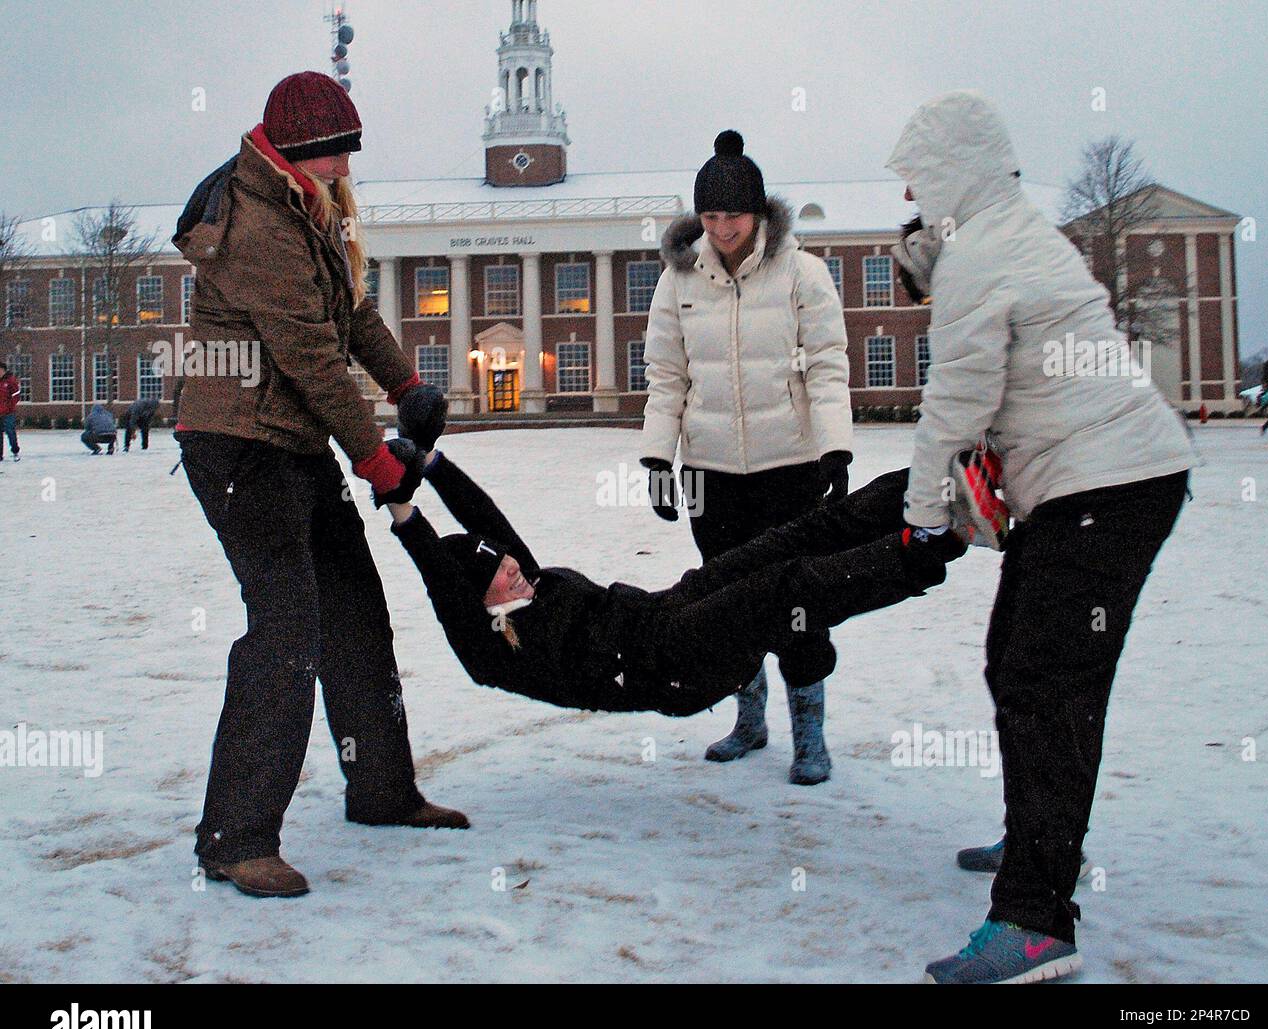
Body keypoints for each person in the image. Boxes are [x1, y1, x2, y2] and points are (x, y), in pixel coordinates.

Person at [885, 90, 1198, 984]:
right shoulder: (997, 231)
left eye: (919, 183)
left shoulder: (987, 251)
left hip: (1109, 484)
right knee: (1015, 662)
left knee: (1046, 676)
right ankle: (1039, 835)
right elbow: (978, 287)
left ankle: (1035, 917)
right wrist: (933, 255)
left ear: (955, 172)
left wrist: (919, 513)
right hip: (1096, 482)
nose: (912, 199)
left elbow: (959, 398)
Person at [172, 71, 463, 899]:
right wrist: (375, 455)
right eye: (335, 154)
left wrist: (408, 386)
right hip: (236, 448)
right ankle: (235, 836)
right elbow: (308, 357)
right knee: (286, 625)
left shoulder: (311, 205)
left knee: (355, 613)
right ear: (297, 152)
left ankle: (381, 789)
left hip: (293, 441)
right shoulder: (257, 223)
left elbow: (352, 314)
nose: (345, 168)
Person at [383, 437, 965, 720]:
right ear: (478, 603)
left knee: (789, 540)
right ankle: (927, 547)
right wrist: (401, 508)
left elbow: (487, 520)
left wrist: (433, 464)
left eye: (512, 565)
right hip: (671, 665)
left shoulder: (524, 583)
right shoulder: (487, 649)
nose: (518, 573)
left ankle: (929, 483)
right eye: (505, 577)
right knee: (785, 587)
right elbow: (437, 572)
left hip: (666, 608)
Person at [640, 130, 853, 784]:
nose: (721, 228)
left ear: (758, 212)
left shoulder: (802, 273)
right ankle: (749, 719)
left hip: (787, 470)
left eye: (732, 214)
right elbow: (666, 376)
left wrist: (834, 447)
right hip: (711, 473)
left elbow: (826, 366)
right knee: (727, 602)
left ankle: (810, 733)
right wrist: (657, 459)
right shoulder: (679, 280)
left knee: (797, 602)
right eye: (709, 215)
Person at [0, 359, 19, 461]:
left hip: (8, 413)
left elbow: (16, 395)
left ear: (4, 371)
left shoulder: (10, 381)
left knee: (10, 432)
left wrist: (9, 407)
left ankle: (15, 451)